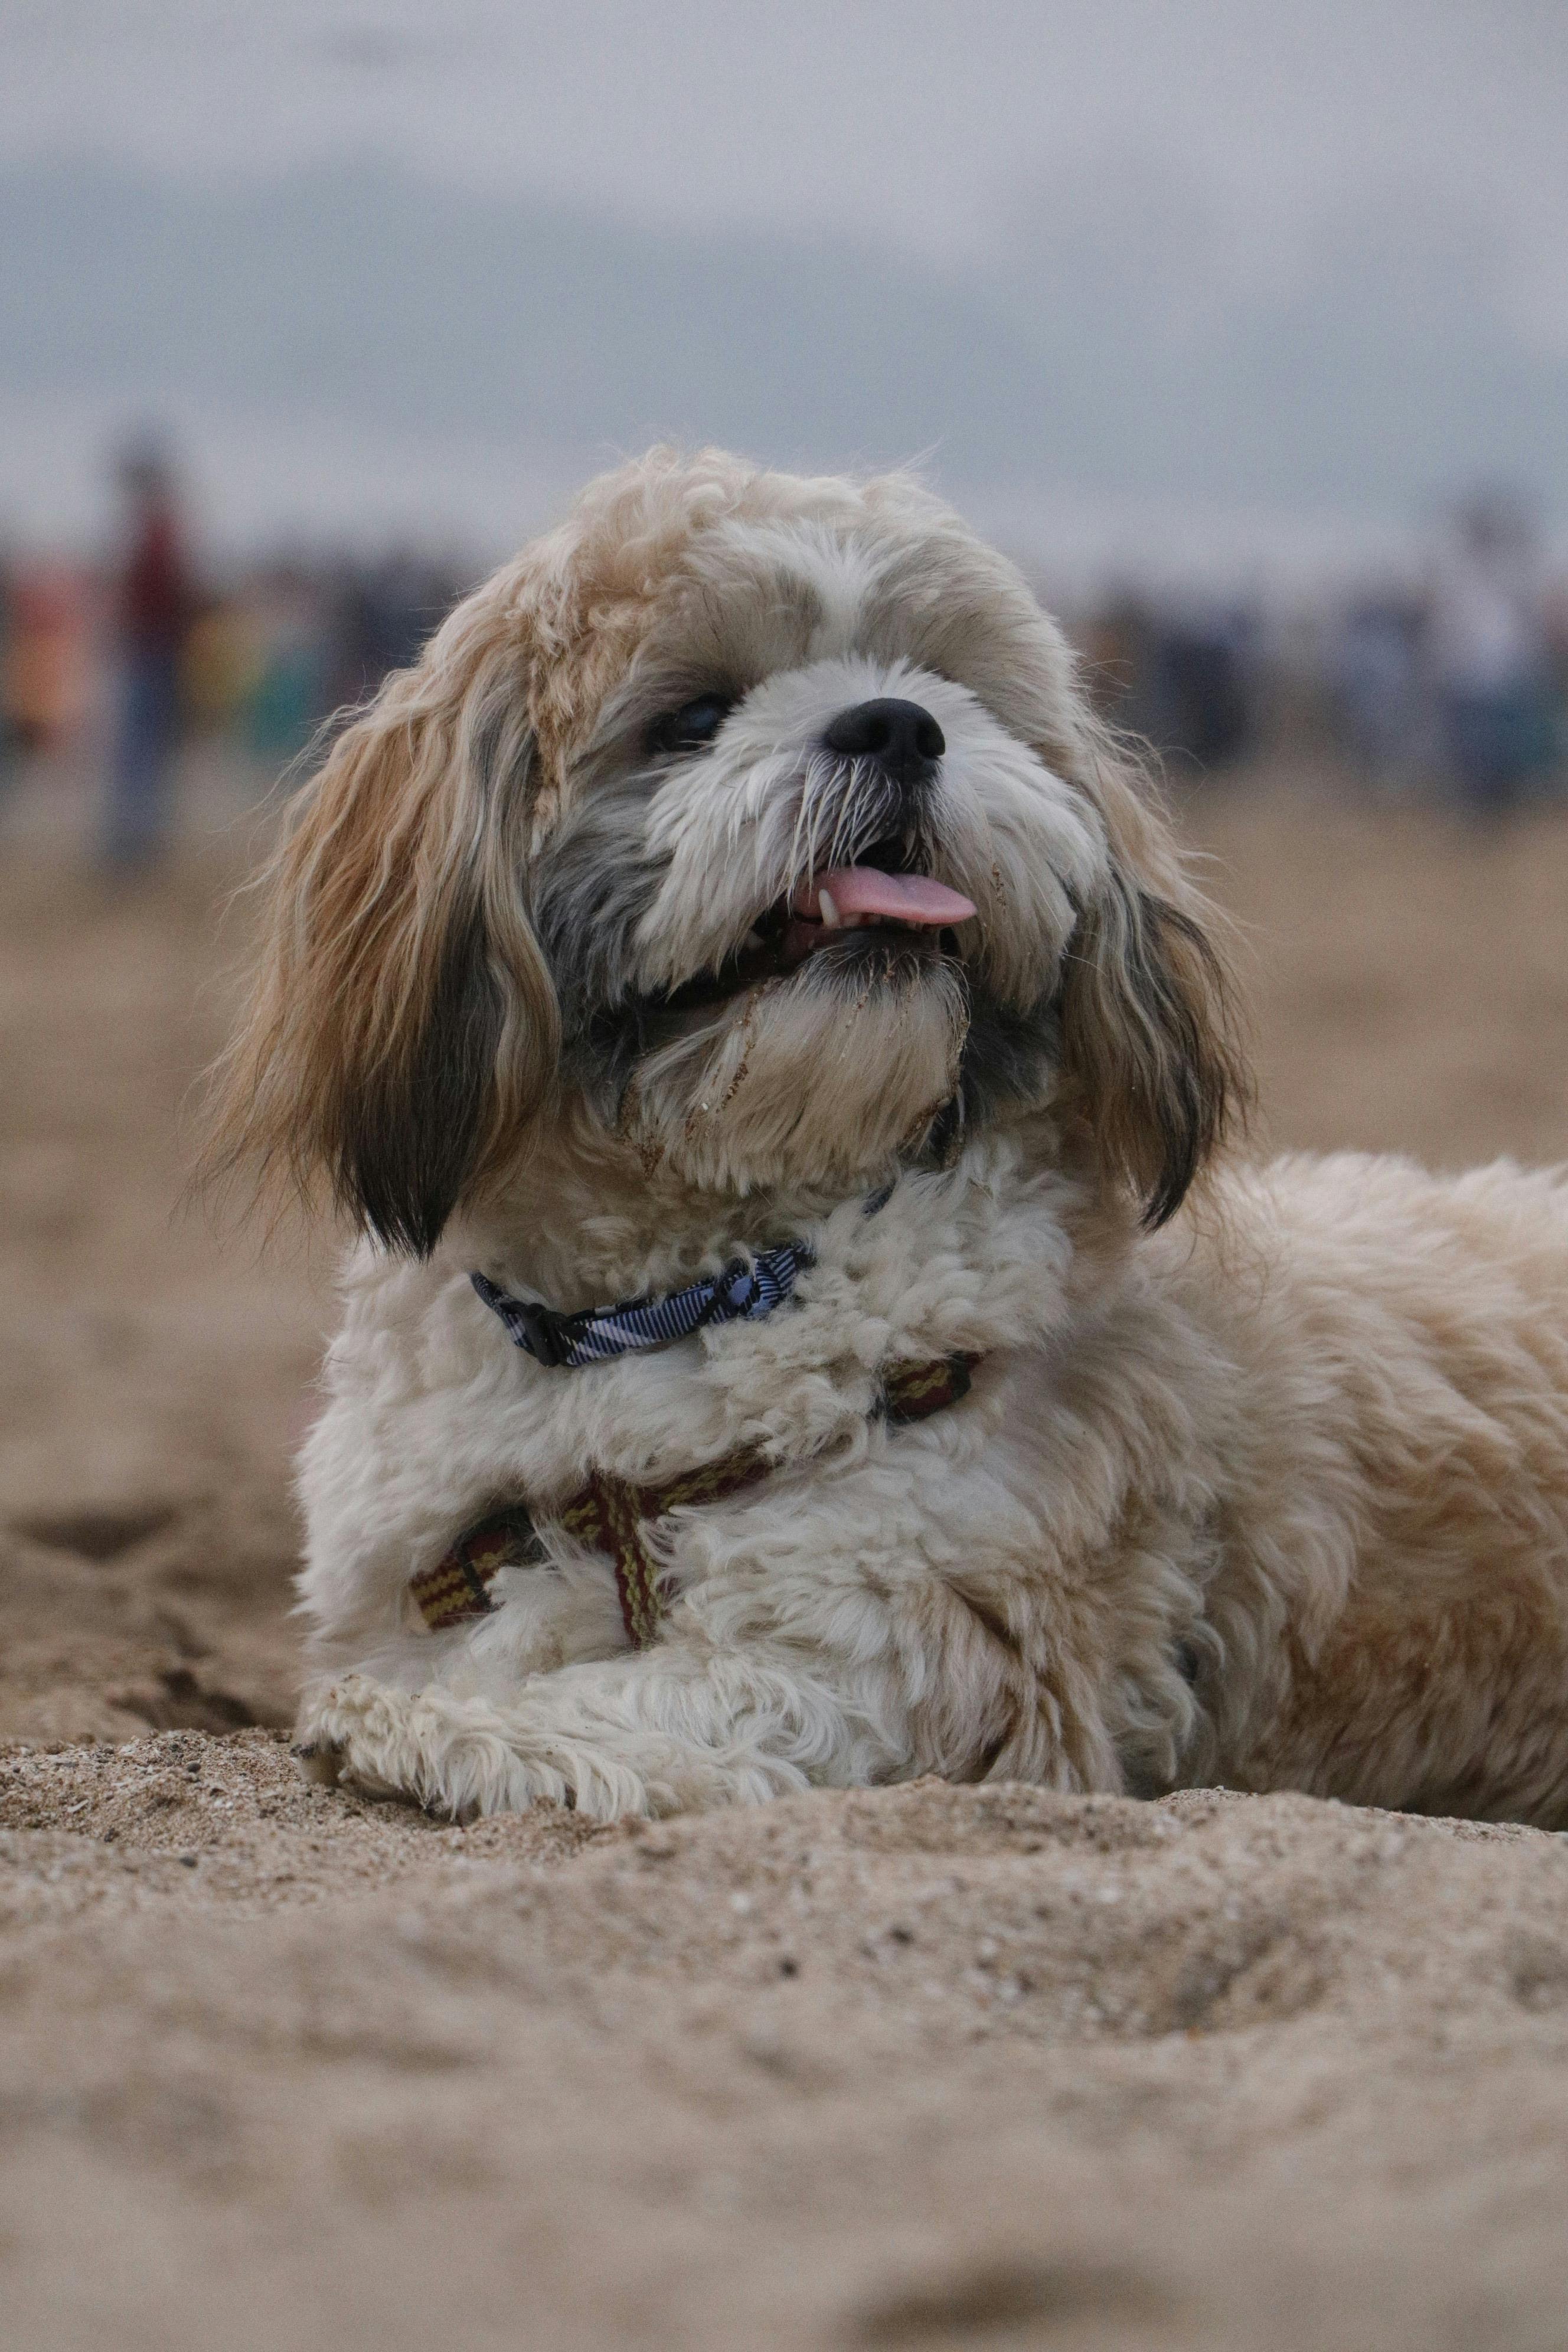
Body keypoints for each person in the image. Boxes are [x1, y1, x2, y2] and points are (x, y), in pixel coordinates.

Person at [1427, 493, 1550, 820]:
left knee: (1503, 750)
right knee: (1473, 752)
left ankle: (1497, 806)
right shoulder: (1458, 576)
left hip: (1503, 679)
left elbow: (1524, 627)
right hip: (1470, 681)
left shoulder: (1510, 573)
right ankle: (1478, 807)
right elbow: (1447, 629)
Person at [105, 442, 194, 868]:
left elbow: (159, 600)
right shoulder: (162, 533)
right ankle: (138, 835)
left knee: (138, 748)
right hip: (156, 652)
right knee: (144, 748)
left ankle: (134, 839)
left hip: (150, 653)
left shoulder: (157, 535)